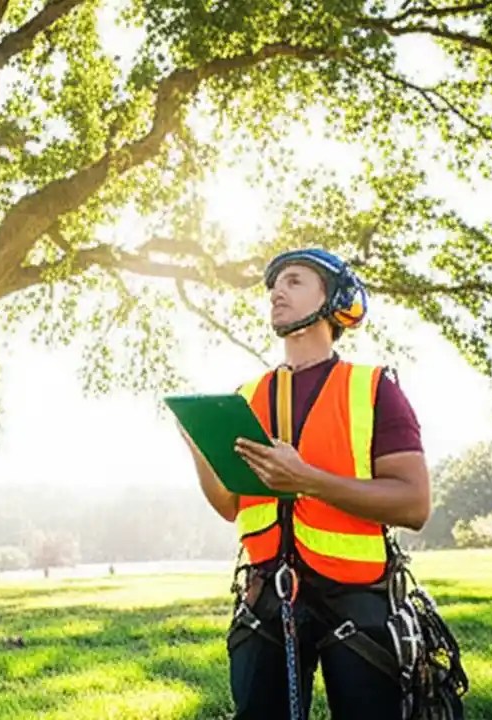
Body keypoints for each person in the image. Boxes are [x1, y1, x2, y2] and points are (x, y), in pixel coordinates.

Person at [181, 248, 432, 720]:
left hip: (356, 596)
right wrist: (198, 450)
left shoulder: (374, 387)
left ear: (335, 299)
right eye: (275, 284)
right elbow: (229, 505)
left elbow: (414, 503)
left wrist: (309, 481)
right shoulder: (246, 396)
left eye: (294, 281)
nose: (277, 291)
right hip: (265, 598)